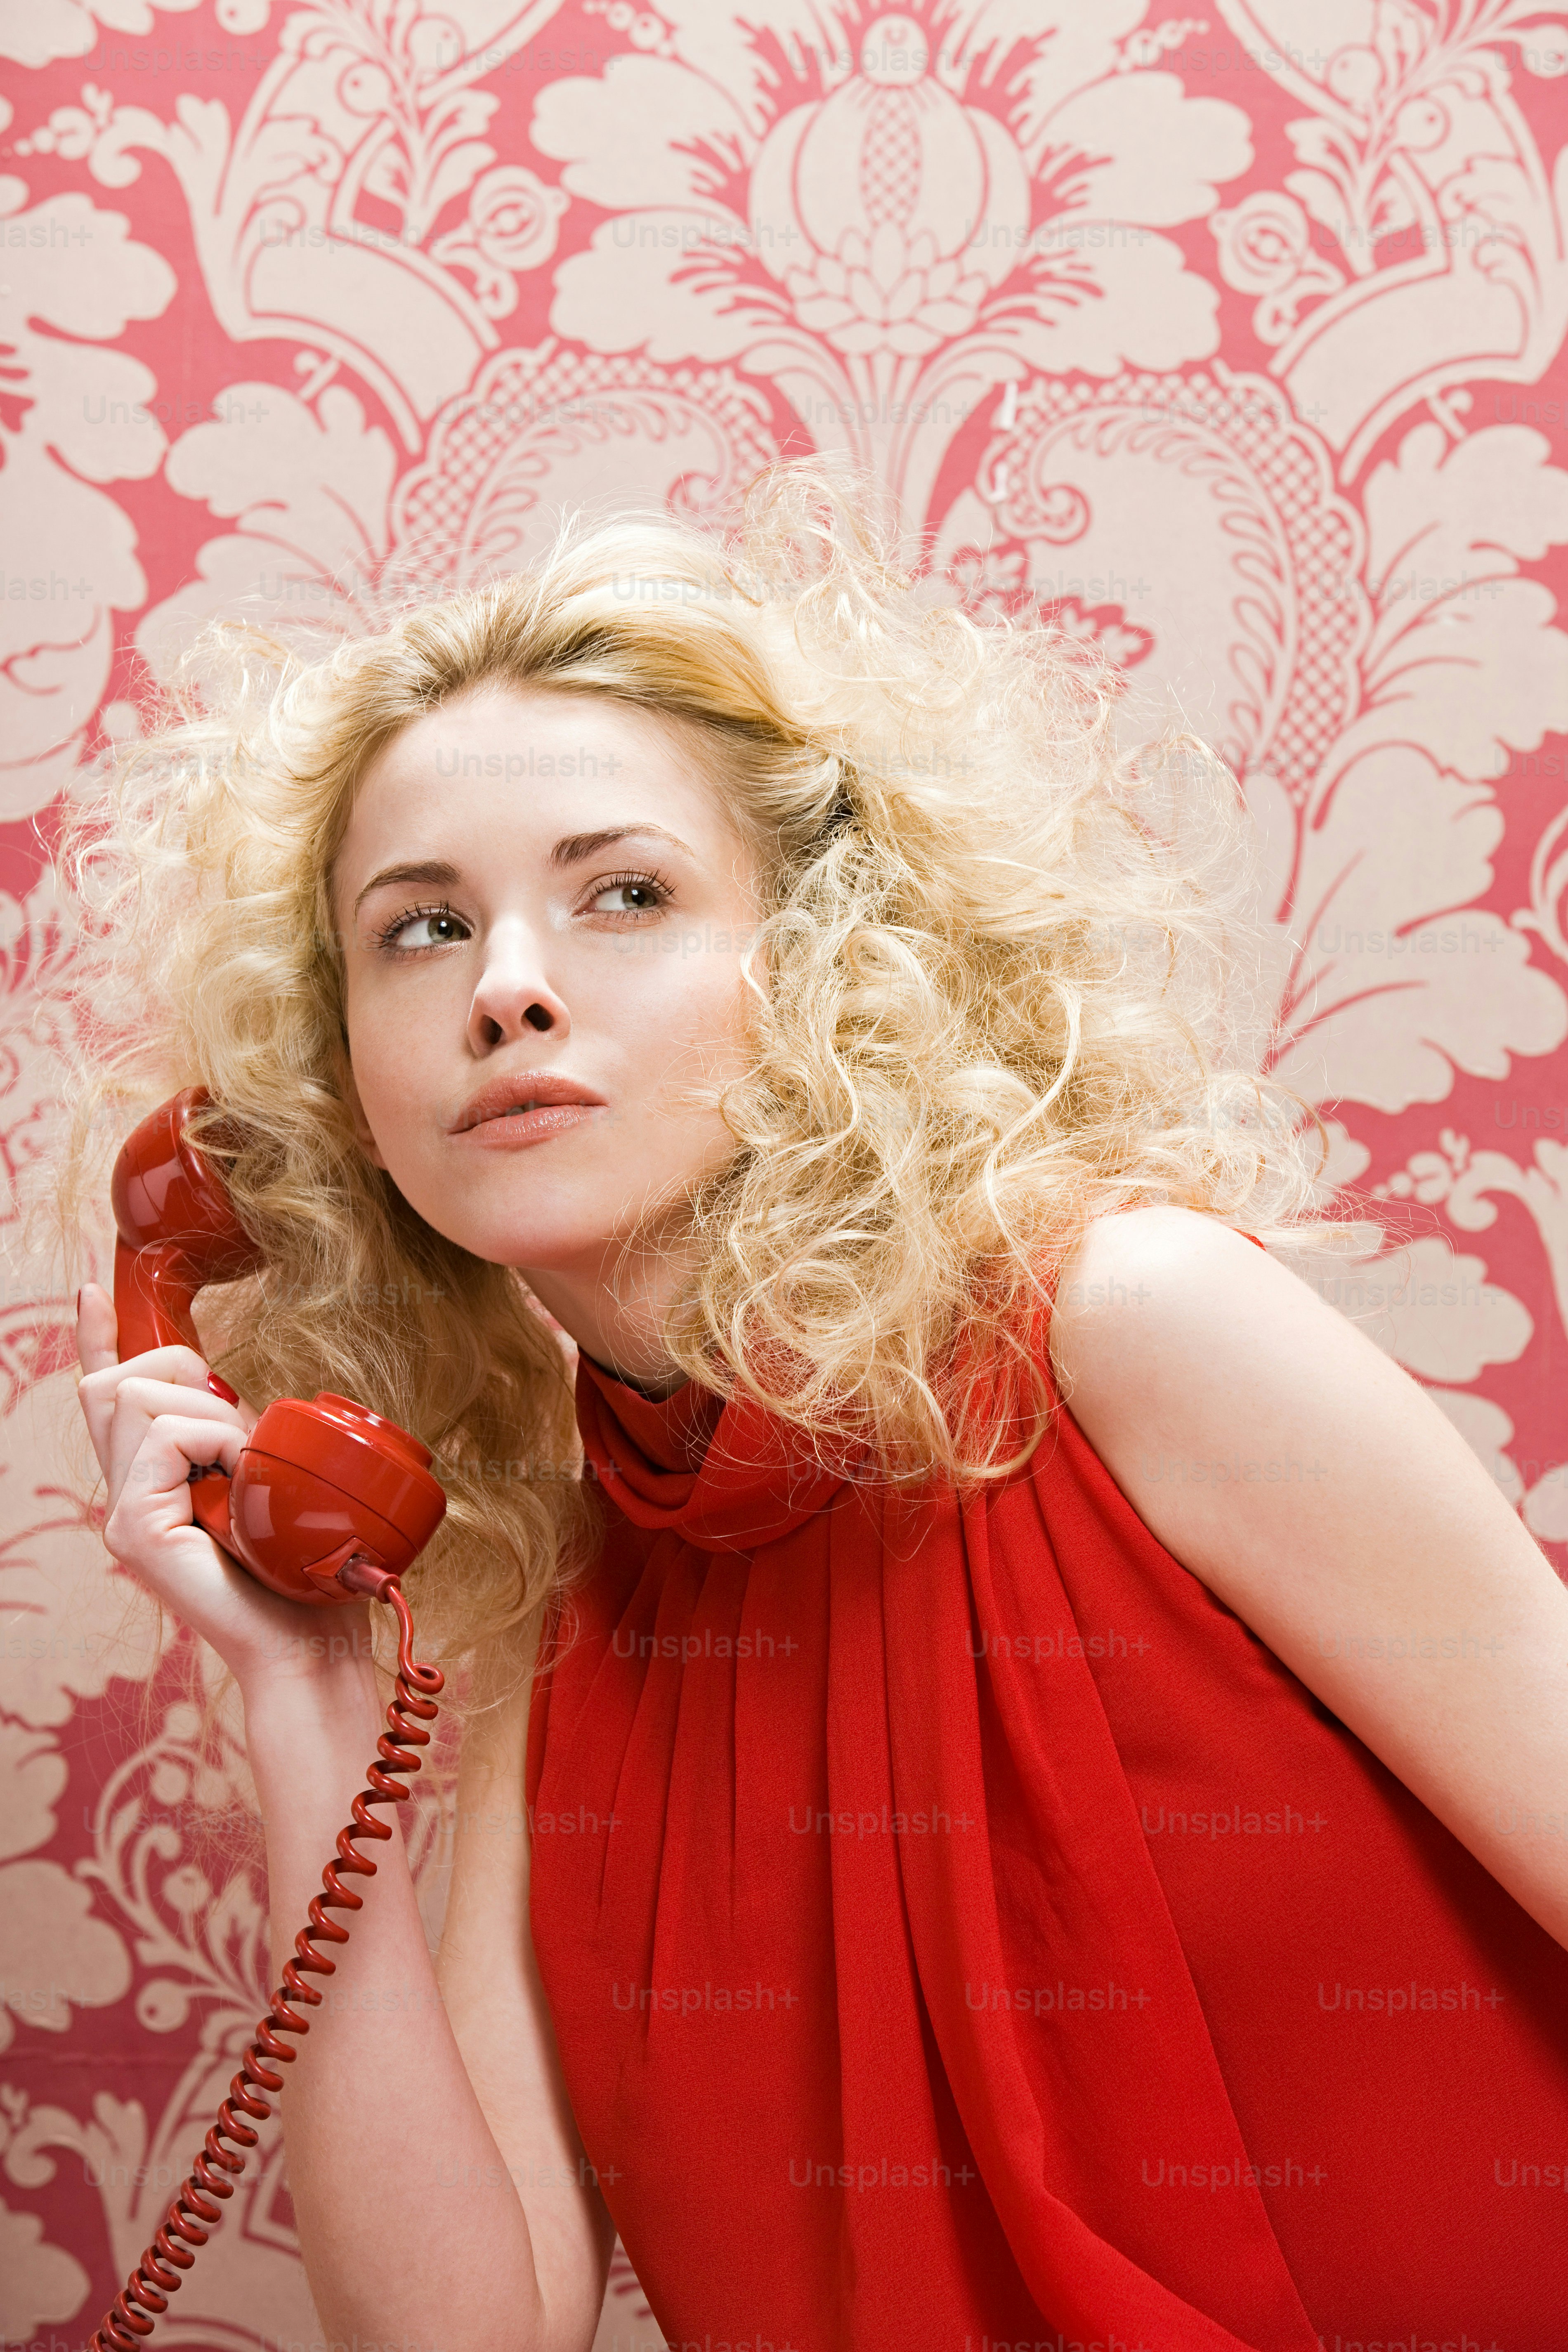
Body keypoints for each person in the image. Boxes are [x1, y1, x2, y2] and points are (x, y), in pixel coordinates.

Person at [61, 460, 1568, 2352]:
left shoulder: (1137, 1325)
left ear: (825, 968)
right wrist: (296, 1700)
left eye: (622, 894)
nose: (510, 987)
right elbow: (462, 2333)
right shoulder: (574, 1599)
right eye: (419, 928)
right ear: (332, 1070)